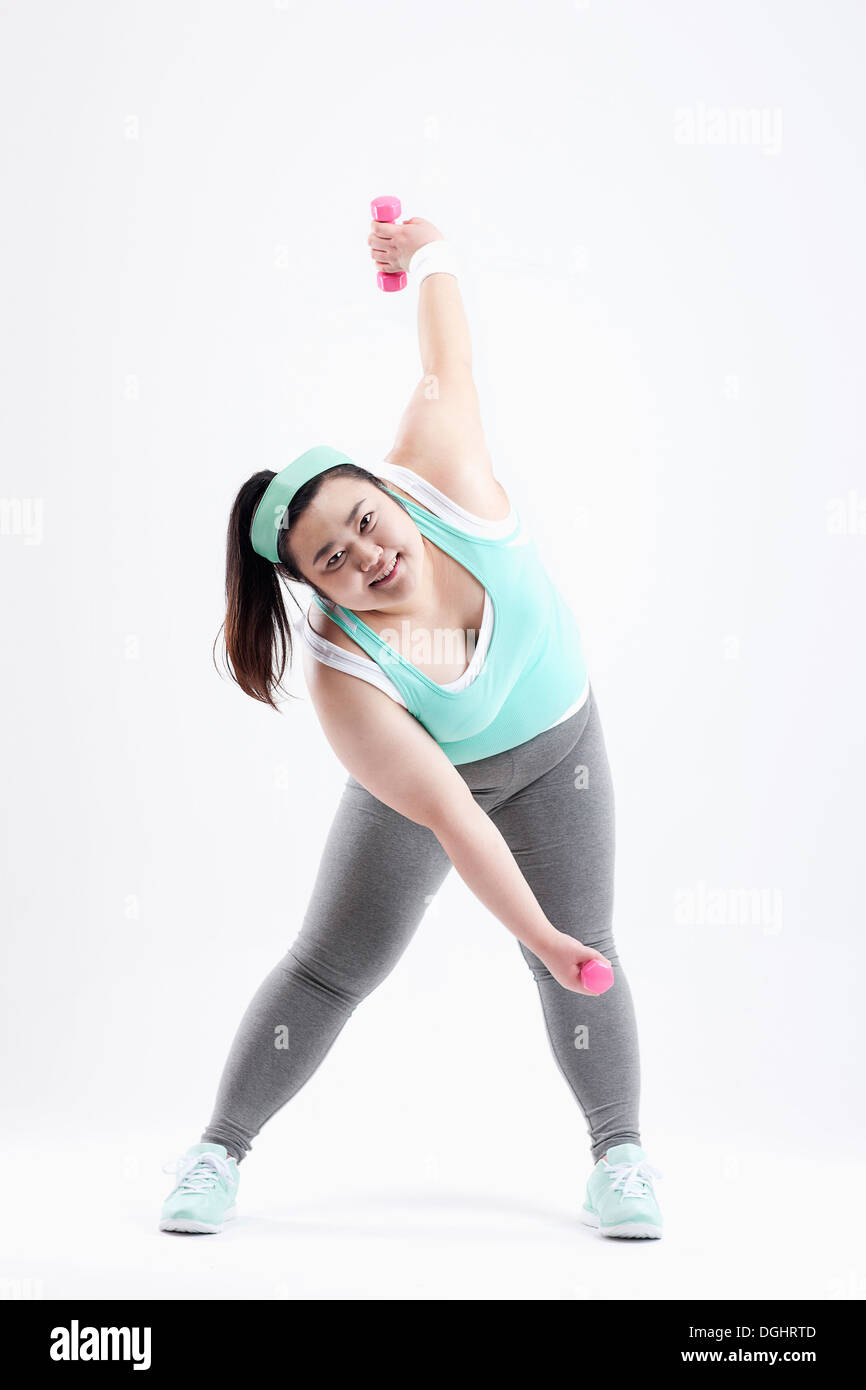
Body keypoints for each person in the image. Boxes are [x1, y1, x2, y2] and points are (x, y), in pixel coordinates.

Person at [159, 216, 663, 1240]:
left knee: (587, 943)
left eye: (362, 520)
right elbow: (447, 815)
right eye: (331, 561)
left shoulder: (446, 468)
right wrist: (534, 937)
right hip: (432, 782)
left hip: (560, 748)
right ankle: (217, 1149)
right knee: (330, 967)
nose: (365, 556)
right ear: (312, 593)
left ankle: (620, 1157)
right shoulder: (348, 681)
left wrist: (427, 252)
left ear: (386, 489)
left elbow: (446, 351)